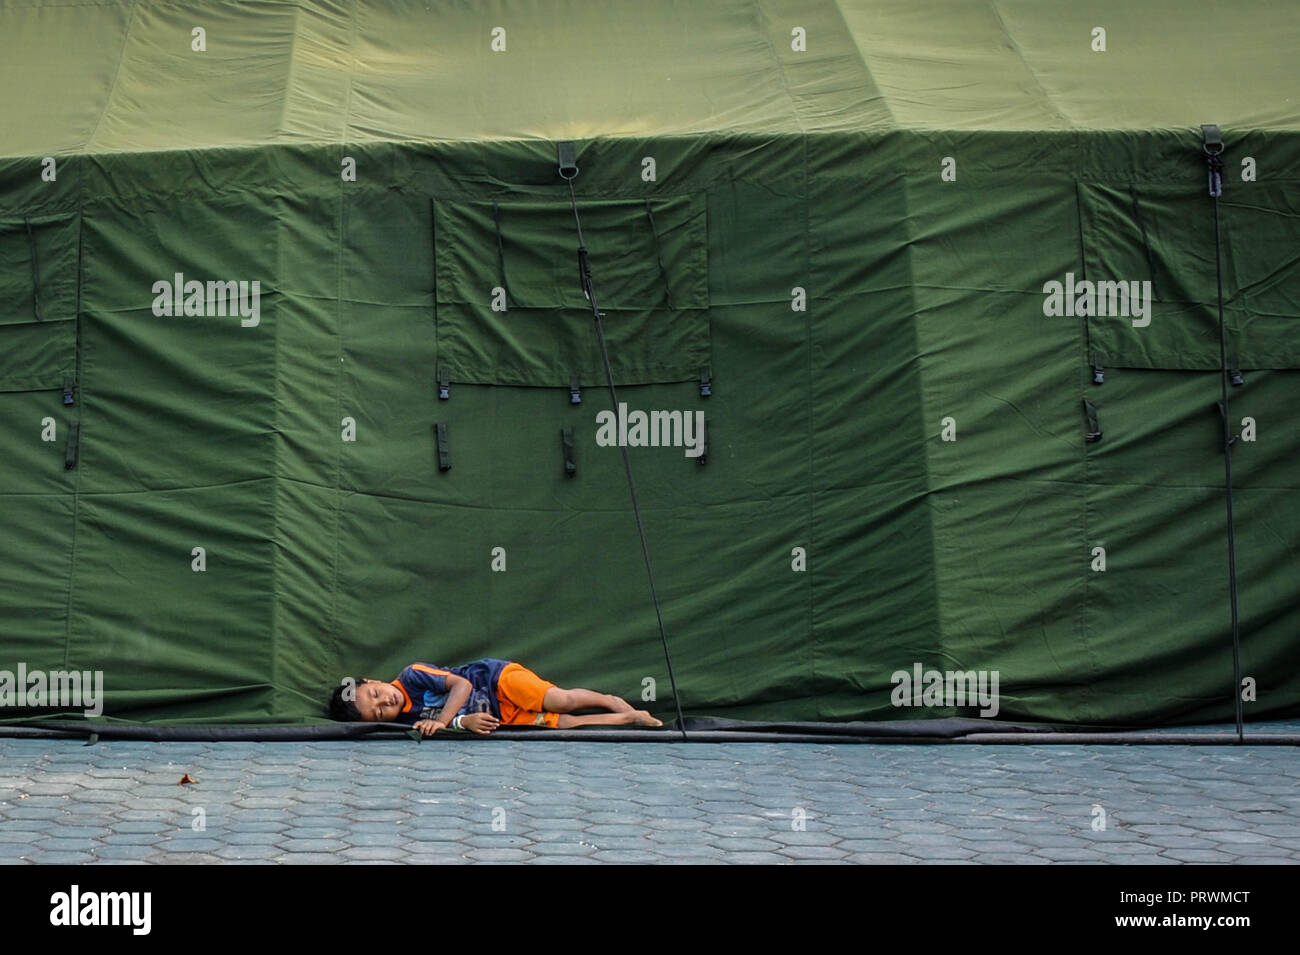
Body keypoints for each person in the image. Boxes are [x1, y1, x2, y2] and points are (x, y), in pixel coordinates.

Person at [328, 658, 662, 736]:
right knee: (564, 724)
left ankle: (608, 699)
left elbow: (462, 687)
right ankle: (628, 717)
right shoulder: (404, 721)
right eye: (379, 713)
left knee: (561, 702)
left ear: (374, 680)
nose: (386, 703)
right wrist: (463, 721)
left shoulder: (411, 676)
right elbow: (444, 725)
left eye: (376, 694)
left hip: (497, 681)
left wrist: (445, 721)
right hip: (499, 714)